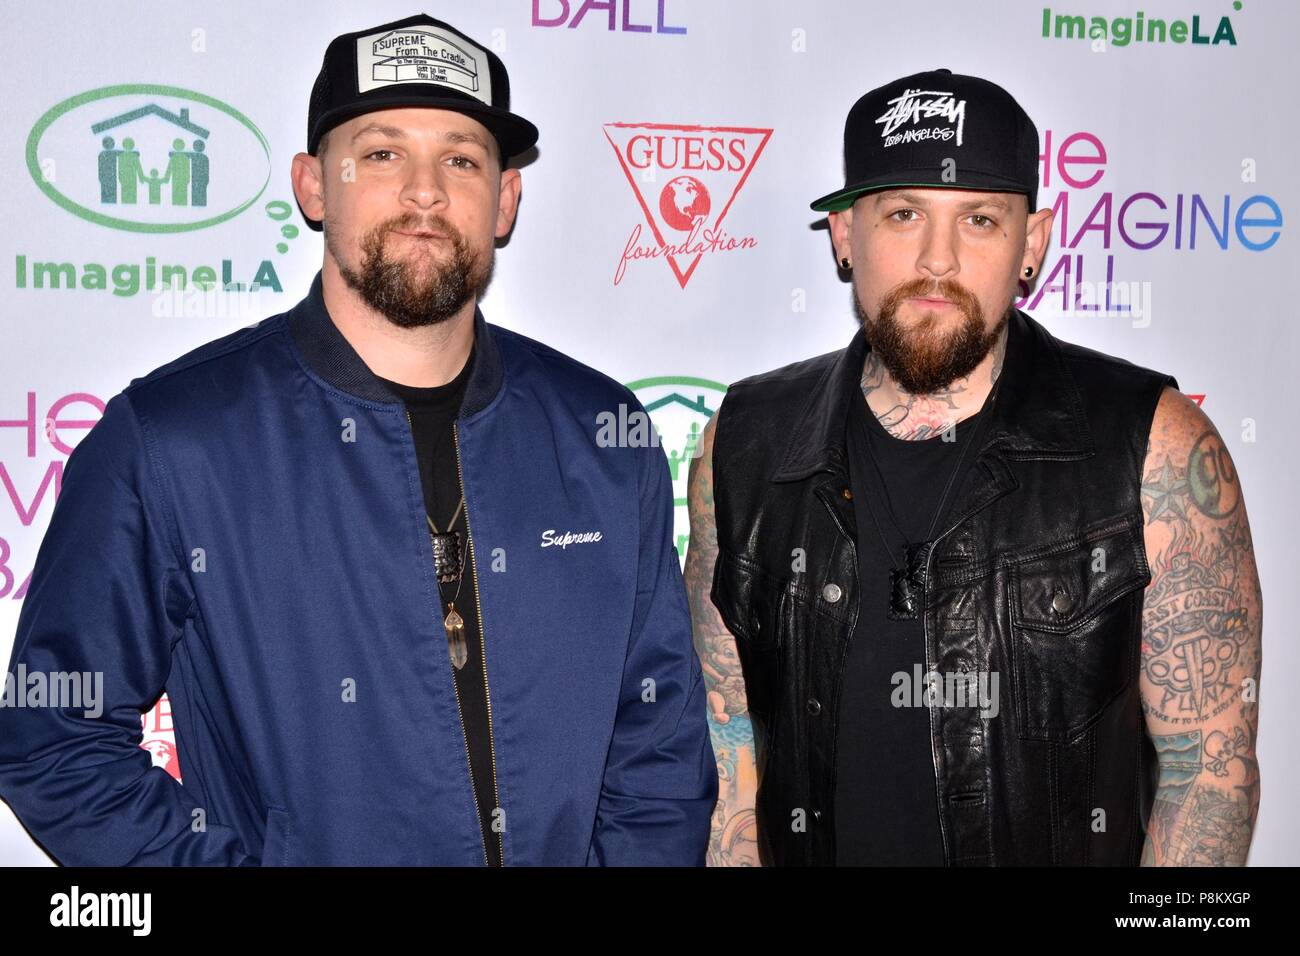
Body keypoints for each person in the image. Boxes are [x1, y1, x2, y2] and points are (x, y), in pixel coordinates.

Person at [0, 13, 714, 866]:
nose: (425, 191)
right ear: (312, 185)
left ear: (506, 200)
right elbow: (55, 738)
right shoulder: (173, 440)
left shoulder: (601, 436)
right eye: (381, 153)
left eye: (462, 157)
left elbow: (659, 747)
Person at [686, 68, 1262, 866]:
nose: (937, 259)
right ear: (844, 236)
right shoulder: (746, 442)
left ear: (1033, 244)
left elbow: (1209, 779)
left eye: (981, 220)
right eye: (902, 214)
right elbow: (728, 749)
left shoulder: (1155, 444)